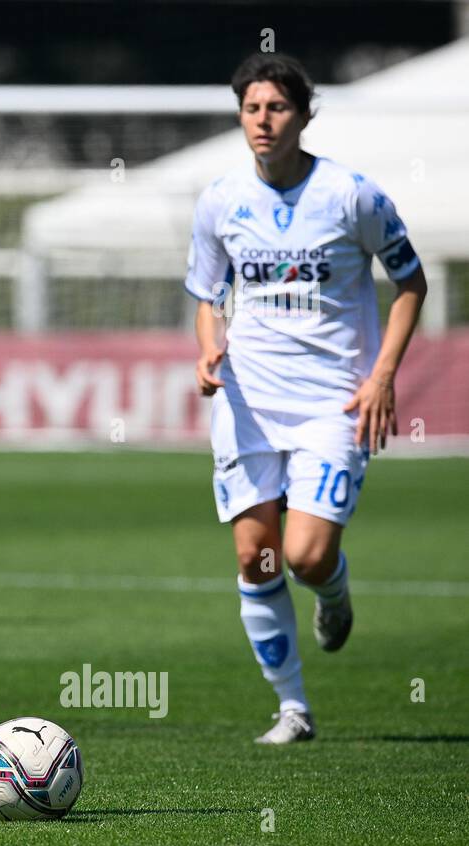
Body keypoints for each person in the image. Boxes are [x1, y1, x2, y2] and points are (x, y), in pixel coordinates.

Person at [186, 53, 426, 744]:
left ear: (305, 114)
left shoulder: (353, 196)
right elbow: (207, 296)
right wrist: (209, 348)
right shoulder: (221, 200)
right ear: (240, 115)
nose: (263, 121)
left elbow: (411, 285)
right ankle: (293, 707)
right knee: (254, 559)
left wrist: (381, 376)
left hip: (333, 402)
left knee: (307, 556)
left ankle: (334, 592)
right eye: (252, 108)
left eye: (278, 108)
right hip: (246, 400)